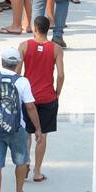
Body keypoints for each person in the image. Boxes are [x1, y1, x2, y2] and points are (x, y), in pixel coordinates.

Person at [0, 47, 42, 192]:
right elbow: (30, 106)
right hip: (17, 129)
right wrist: (37, 128)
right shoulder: (22, 82)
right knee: (21, 161)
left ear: (2, 61)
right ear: (17, 64)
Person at [20, 16, 63, 183]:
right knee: (42, 135)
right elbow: (60, 75)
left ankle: (24, 165)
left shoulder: (24, 46)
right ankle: (37, 172)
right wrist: (57, 92)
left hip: (28, 97)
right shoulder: (56, 49)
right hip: (47, 97)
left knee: (26, 133)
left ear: (35, 29)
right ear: (48, 29)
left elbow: (17, 72)